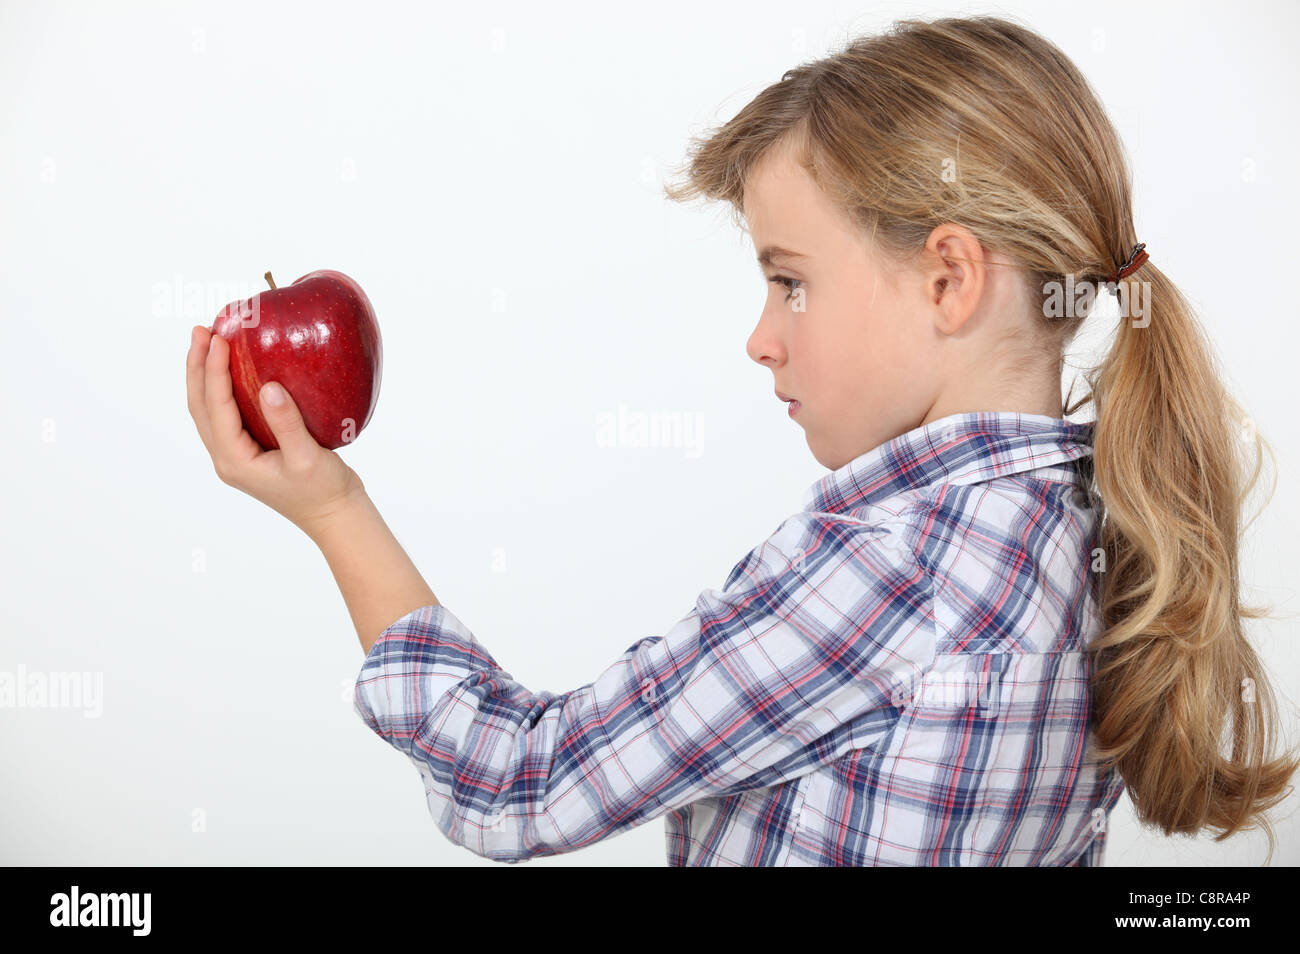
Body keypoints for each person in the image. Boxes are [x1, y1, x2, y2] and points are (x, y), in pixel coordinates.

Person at [185, 15, 1297, 866]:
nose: (760, 339)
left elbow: (515, 780)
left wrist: (334, 508)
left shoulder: (894, 567)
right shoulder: (1088, 530)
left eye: (789, 282)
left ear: (949, 278)